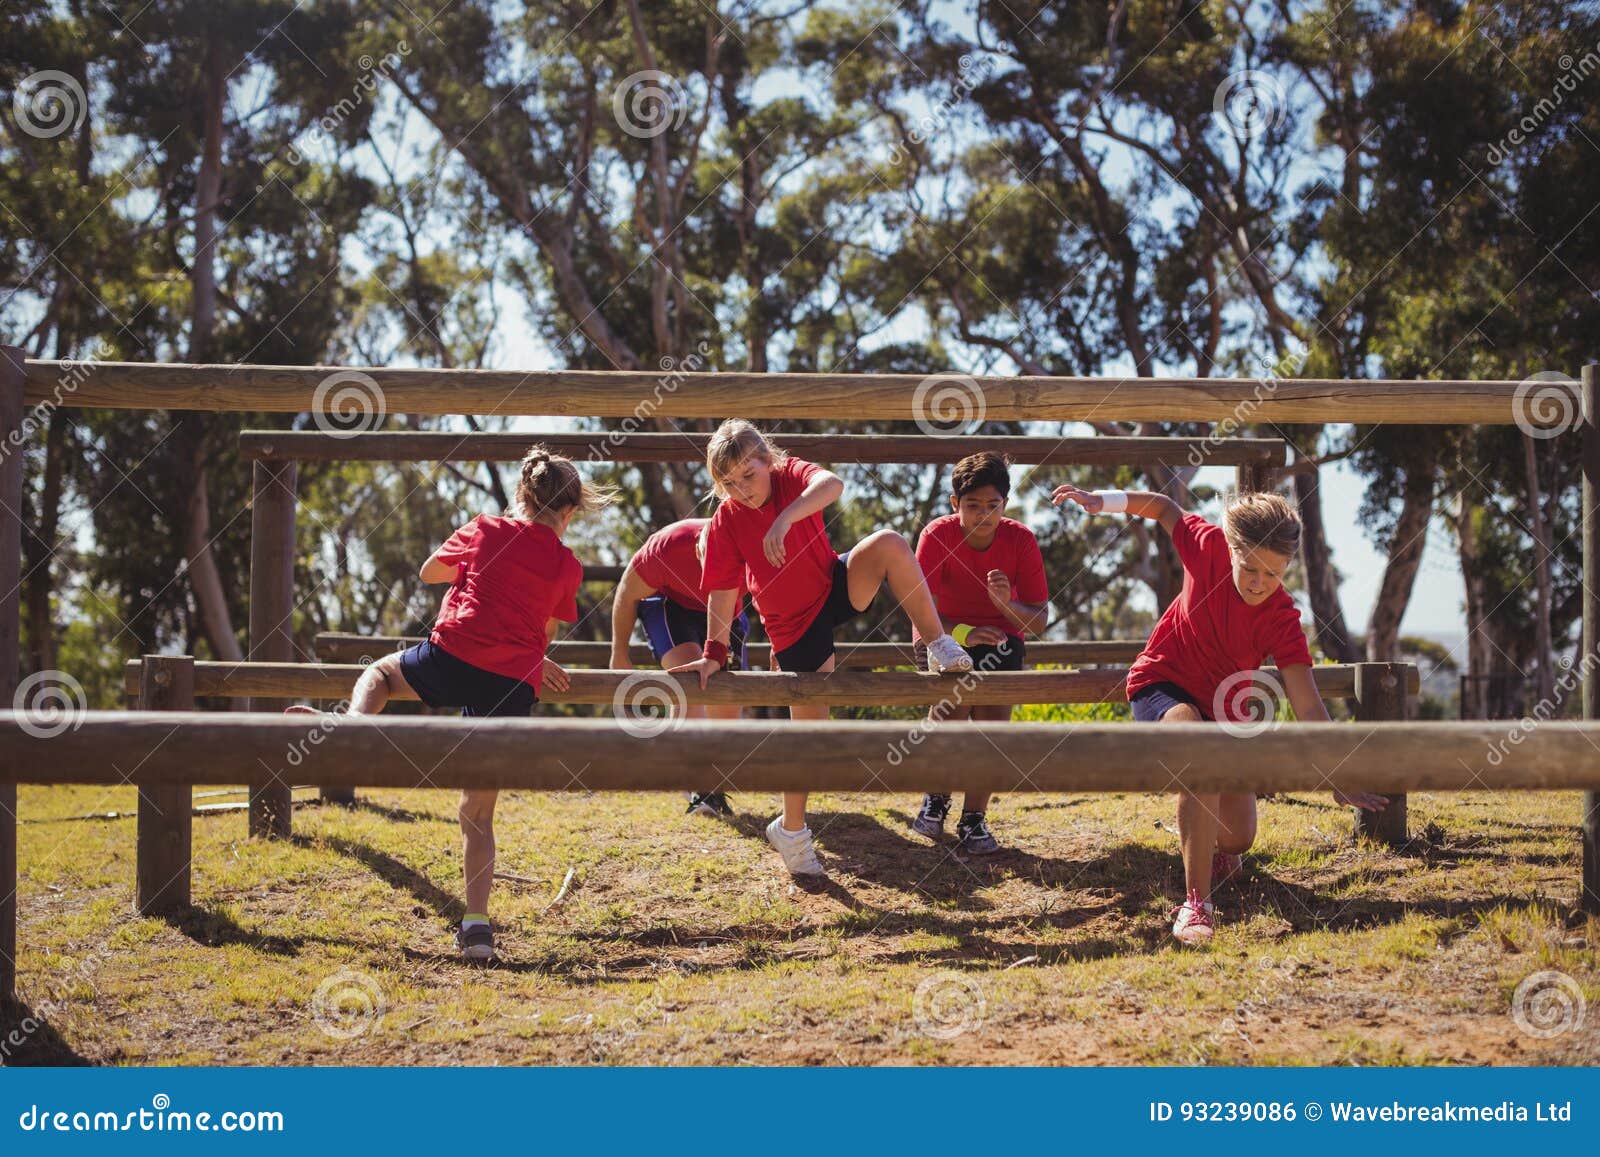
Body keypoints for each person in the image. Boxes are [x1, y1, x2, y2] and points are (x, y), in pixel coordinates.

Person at [1051, 483, 1388, 945]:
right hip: (1161, 684)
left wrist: (1337, 773)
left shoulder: (1284, 618)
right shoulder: (1205, 547)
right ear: (1230, 549)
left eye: (1272, 574)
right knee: (1201, 757)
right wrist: (1102, 501)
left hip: (1224, 710)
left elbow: (1308, 703)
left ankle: (1210, 847)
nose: (1257, 582)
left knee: (1238, 838)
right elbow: (1165, 507)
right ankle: (1196, 904)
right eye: (1249, 567)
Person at [335, 445, 614, 962]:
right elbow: (541, 638)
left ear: (522, 494)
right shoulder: (568, 567)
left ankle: (354, 726)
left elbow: (428, 572)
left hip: (454, 655)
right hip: (510, 684)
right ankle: (478, 928)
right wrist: (531, 662)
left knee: (378, 672)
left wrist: (474, 563)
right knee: (477, 813)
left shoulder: (486, 528)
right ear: (570, 511)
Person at [673, 419, 974, 877]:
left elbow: (831, 483)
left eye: (748, 477)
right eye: (729, 484)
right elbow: (721, 591)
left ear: (767, 461)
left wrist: (784, 516)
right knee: (811, 733)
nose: (741, 490)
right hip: (793, 625)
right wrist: (716, 651)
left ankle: (937, 641)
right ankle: (790, 830)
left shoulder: (790, 474)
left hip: (831, 582)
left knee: (890, 543)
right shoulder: (726, 522)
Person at [909, 451, 1050, 854]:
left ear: (1005, 504)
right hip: (942, 635)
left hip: (1003, 639)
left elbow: (1038, 620)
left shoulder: (1021, 539)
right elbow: (921, 611)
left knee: (992, 728)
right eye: (972, 506)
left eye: (993, 506)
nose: (983, 515)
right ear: (955, 504)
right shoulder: (937, 535)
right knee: (951, 714)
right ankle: (936, 796)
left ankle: (974, 817)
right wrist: (965, 635)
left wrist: (1006, 605)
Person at [610, 518, 751, 817]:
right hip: (670, 603)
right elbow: (627, 590)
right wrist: (619, 651)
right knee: (690, 686)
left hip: (726, 611)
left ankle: (707, 782)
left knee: (727, 703)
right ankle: (702, 789)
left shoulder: (754, 549)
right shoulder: (667, 548)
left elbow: (771, 595)